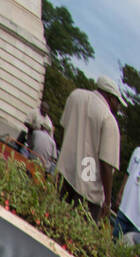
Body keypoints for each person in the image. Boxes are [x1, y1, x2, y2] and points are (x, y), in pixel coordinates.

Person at [56, 76, 122, 223]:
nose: (118, 108)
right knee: (74, 237)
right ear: (111, 98)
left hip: (64, 175)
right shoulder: (108, 119)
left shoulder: (75, 96)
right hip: (88, 191)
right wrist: (107, 201)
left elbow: (64, 129)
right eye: (118, 103)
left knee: (53, 220)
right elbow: (106, 164)